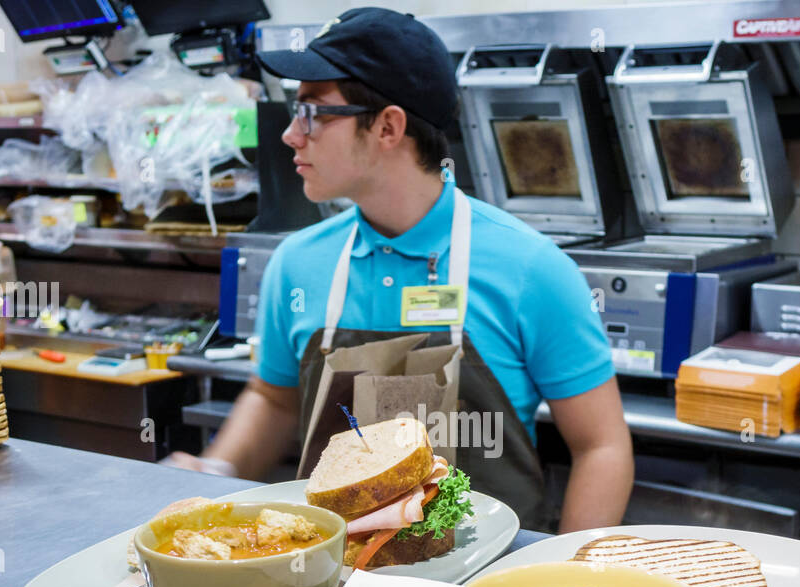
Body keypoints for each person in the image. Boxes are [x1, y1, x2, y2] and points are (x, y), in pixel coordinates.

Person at [167, 8, 633, 532]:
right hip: (331, 583)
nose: (291, 136)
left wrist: (560, 575)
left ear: (388, 126)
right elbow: (274, 399)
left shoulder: (531, 269)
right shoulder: (297, 263)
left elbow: (602, 445)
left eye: (314, 112)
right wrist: (216, 470)